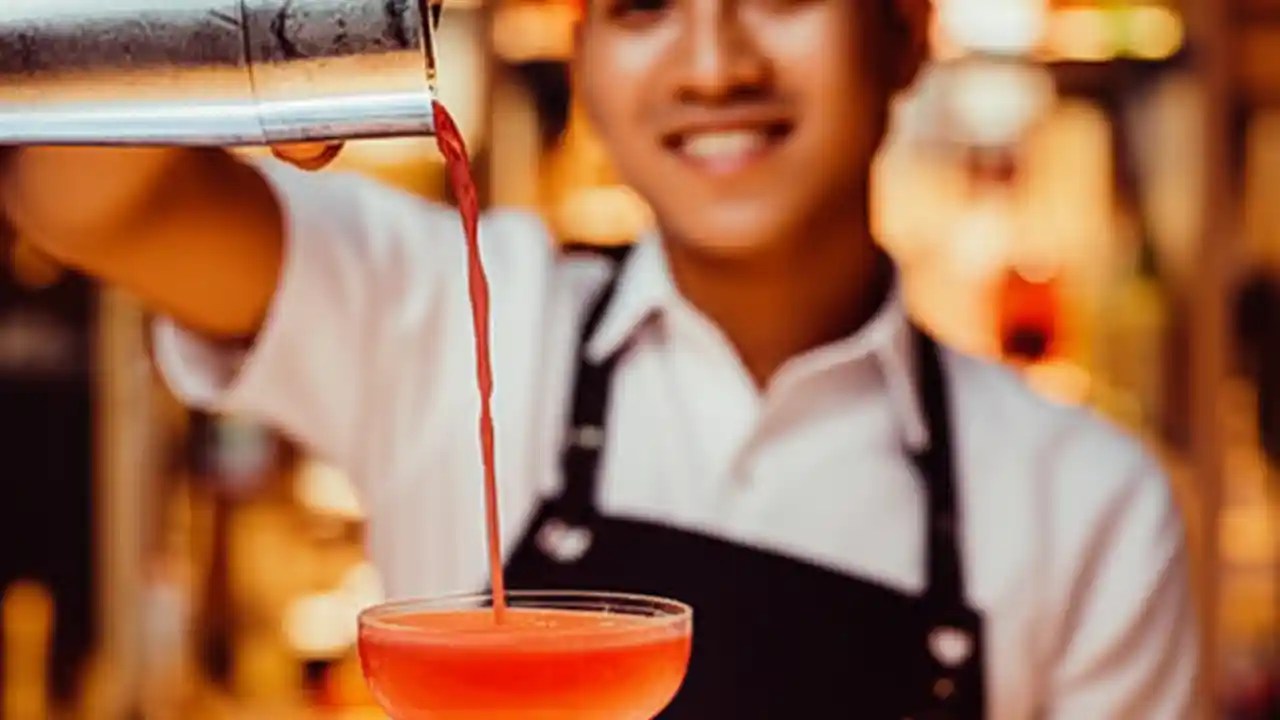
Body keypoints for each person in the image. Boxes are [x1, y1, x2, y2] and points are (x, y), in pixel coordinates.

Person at [1, 0, 1199, 715]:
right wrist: (238, 44)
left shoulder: (1083, 500)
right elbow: (87, 205)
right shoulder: (454, 306)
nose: (710, 63)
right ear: (582, 60)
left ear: (902, 32)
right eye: (638, 6)